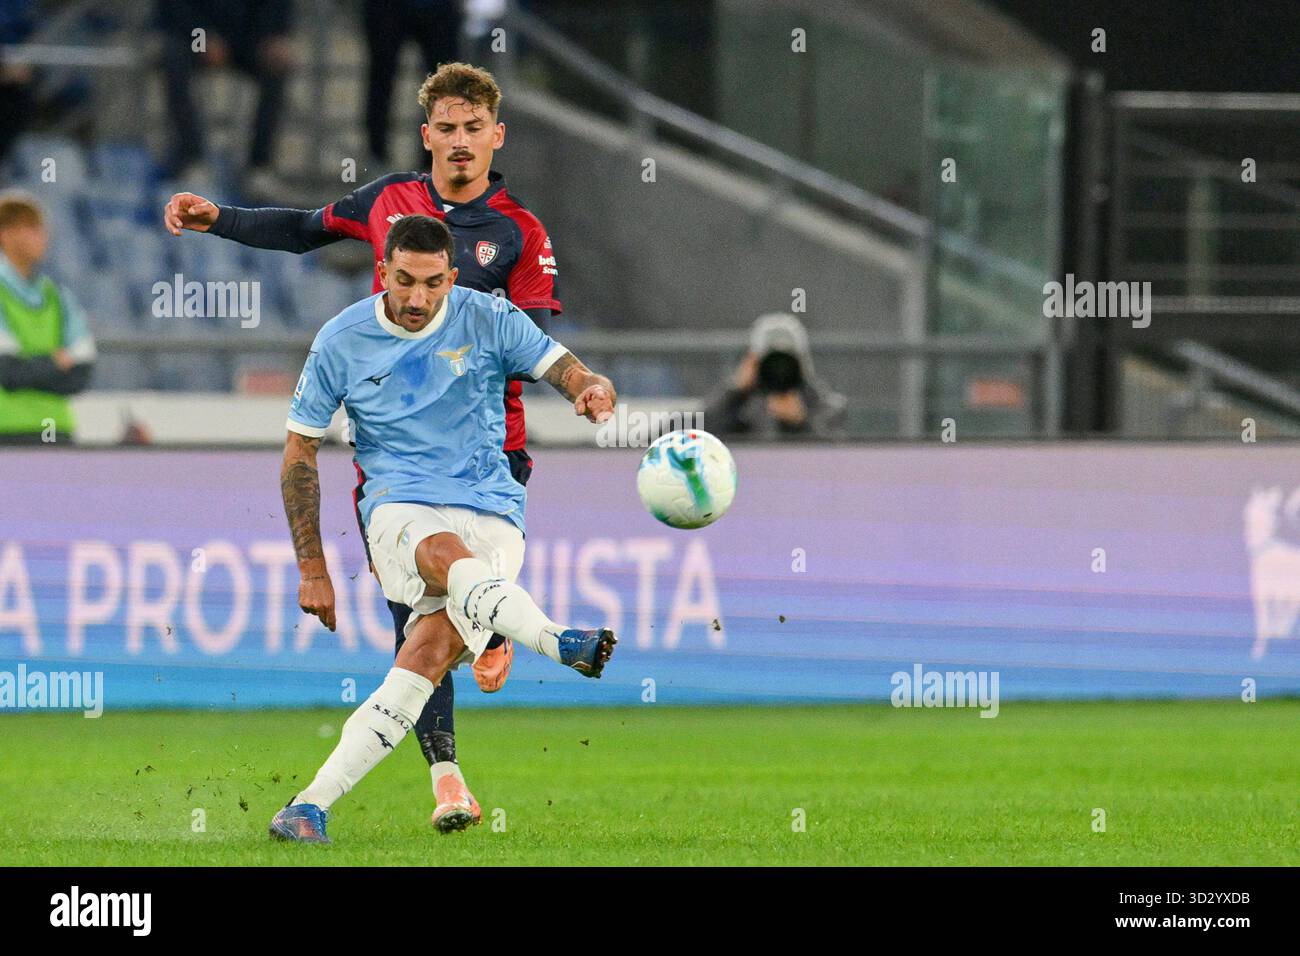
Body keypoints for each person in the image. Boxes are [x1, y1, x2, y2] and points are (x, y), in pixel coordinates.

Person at [162, 61, 560, 832]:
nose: (459, 143)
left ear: (495, 136)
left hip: (486, 456)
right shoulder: (387, 202)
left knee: (435, 620)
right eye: (445, 128)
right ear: (426, 136)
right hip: (394, 459)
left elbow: (533, 344)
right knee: (415, 622)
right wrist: (221, 218)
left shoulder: (519, 232)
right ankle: (451, 770)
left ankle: (490, 619)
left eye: (473, 129)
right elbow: (306, 230)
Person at [268, 215, 616, 844]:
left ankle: (307, 806)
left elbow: (561, 365)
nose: (417, 298)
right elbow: (299, 454)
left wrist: (587, 386)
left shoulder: (486, 315)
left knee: (423, 660)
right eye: (404, 281)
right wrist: (313, 567)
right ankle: (555, 638)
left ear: (452, 278)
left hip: (493, 504)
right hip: (399, 504)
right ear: (383, 273)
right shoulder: (340, 340)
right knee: (441, 553)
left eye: (432, 284)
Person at [155, 0, 295, 194]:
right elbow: (173, 6)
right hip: (195, 36)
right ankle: (192, 160)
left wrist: (275, 35)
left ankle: (259, 165)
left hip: (247, 34)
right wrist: (204, 36)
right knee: (174, 60)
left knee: (276, 64)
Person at [0, 192, 95, 444]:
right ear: (5, 234)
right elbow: (7, 373)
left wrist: (30, 366)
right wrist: (56, 362)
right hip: (7, 432)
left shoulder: (58, 297)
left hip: (57, 434)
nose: (41, 236)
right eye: (30, 228)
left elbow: (81, 373)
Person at [704, 313, 846, 439]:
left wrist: (800, 423)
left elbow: (834, 455)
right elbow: (703, 435)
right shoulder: (742, 403)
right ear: (754, 361)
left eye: (787, 360)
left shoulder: (820, 402)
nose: (780, 370)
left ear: (802, 362)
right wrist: (736, 391)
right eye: (772, 360)